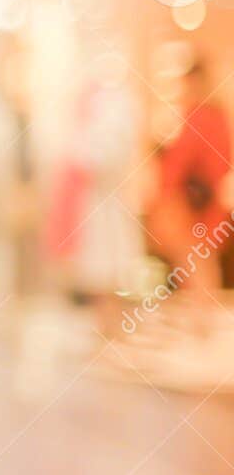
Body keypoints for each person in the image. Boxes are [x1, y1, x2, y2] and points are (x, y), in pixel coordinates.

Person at [44, 62, 141, 336]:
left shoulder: (112, 114)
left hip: (106, 206)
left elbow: (101, 158)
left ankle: (113, 329)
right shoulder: (93, 120)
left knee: (108, 272)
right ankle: (106, 329)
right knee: (100, 274)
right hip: (95, 207)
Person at [148, 59, 232, 328]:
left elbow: (183, 161)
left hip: (196, 204)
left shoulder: (202, 116)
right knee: (198, 260)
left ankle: (202, 320)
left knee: (197, 261)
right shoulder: (210, 115)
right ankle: (201, 320)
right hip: (200, 201)